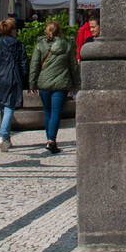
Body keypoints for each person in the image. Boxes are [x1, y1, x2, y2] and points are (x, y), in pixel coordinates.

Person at [0, 17, 28, 151]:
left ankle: (6, 139)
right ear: (12, 30)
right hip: (12, 78)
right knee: (9, 107)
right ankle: (3, 136)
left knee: (2, 106)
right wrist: (26, 81)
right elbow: (24, 64)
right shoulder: (18, 44)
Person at [29, 20, 75, 154]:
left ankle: (49, 139)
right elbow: (73, 67)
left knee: (47, 111)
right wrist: (76, 84)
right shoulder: (66, 45)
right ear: (59, 32)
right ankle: (51, 140)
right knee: (56, 112)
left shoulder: (39, 46)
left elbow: (34, 66)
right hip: (61, 84)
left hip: (44, 84)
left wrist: (32, 83)